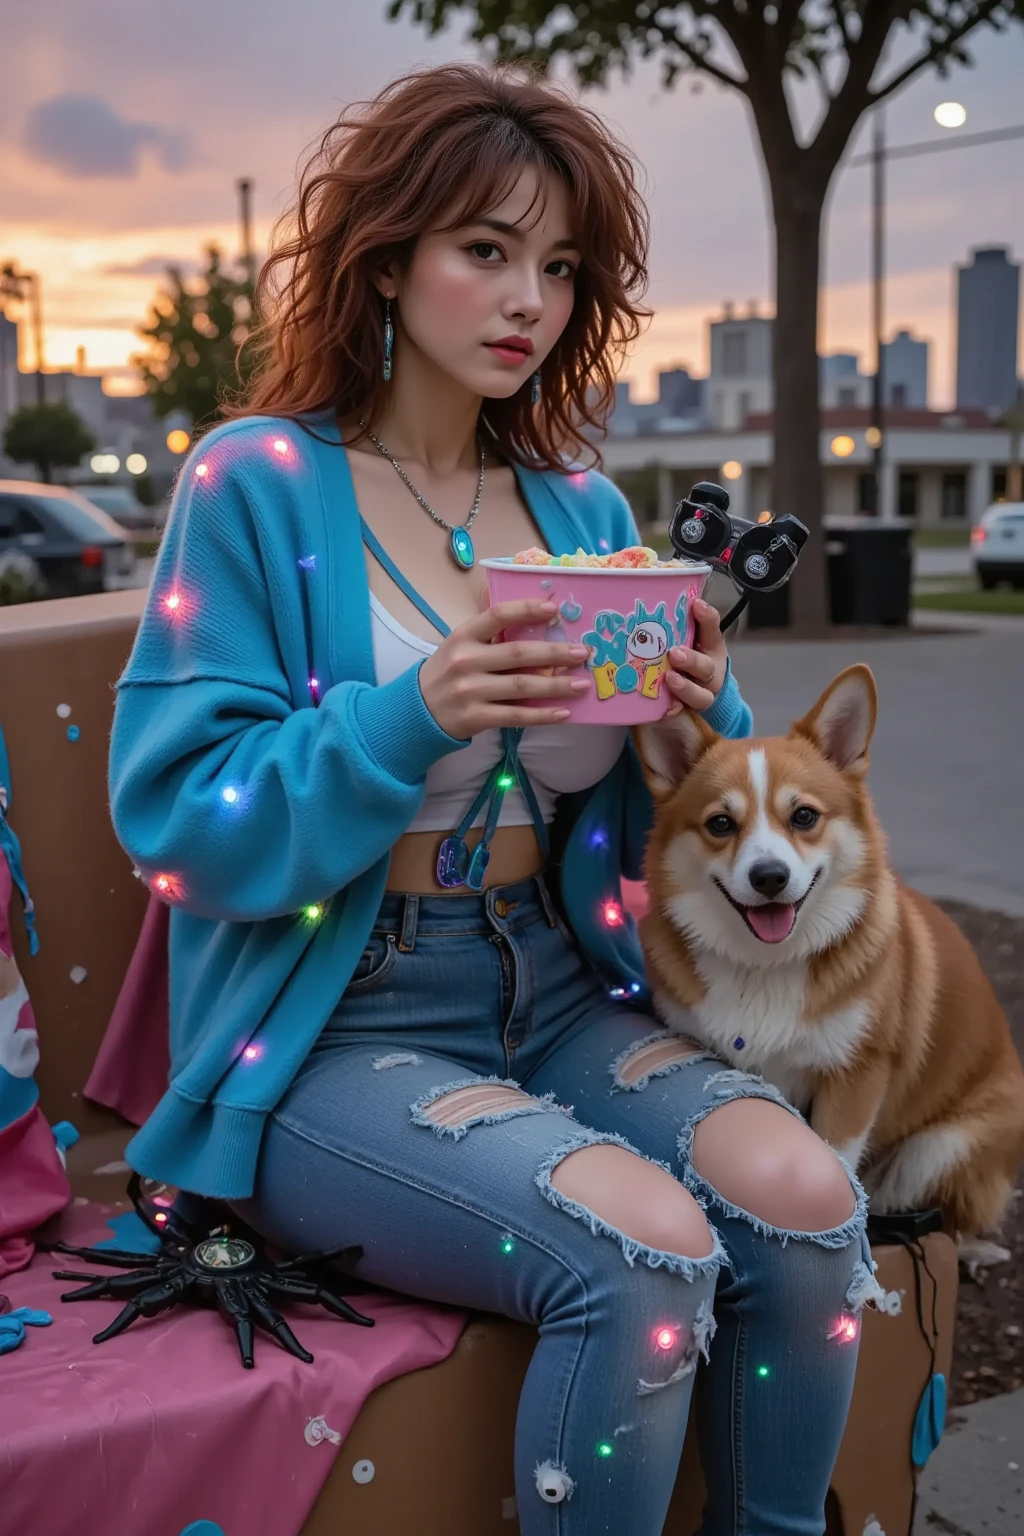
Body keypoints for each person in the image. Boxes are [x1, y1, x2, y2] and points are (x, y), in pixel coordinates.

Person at [109, 63, 873, 1536]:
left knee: (805, 1206)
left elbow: (666, 811)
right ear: (386, 259)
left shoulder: (581, 507)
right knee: (643, 1256)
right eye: (487, 249)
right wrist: (412, 717)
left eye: (563, 266)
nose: (531, 296)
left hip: (561, 985)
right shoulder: (257, 482)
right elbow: (176, 819)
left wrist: (705, 711)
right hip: (333, 1026)